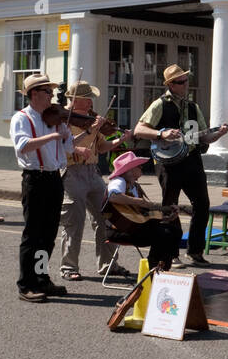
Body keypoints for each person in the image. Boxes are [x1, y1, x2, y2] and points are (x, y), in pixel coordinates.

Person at [135, 64, 228, 266]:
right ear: (170, 84)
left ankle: (195, 251)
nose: (185, 84)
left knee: (202, 204)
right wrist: (161, 134)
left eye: (186, 80)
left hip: (192, 160)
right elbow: (139, 129)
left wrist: (218, 134)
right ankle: (171, 252)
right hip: (168, 164)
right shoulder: (159, 105)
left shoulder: (193, 107)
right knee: (170, 207)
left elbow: (205, 137)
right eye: (180, 81)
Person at [12, 74, 76, 303]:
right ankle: (26, 284)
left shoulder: (54, 119)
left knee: (48, 234)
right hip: (35, 179)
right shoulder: (21, 119)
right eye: (48, 92)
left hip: (54, 179)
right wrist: (53, 135)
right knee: (33, 234)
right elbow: (23, 147)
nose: (52, 96)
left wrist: (67, 135)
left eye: (51, 92)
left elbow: (68, 148)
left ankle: (41, 278)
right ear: (34, 94)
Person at [57, 81, 115, 281]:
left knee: (107, 216)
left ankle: (108, 264)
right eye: (88, 97)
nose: (91, 101)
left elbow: (102, 146)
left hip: (92, 171)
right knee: (75, 221)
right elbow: (61, 146)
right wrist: (91, 130)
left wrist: (121, 140)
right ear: (75, 99)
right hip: (72, 171)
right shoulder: (61, 118)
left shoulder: (90, 119)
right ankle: (68, 267)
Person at [104, 151, 181, 271]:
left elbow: (143, 216)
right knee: (163, 234)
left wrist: (166, 218)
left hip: (134, 228)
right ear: (130, 169)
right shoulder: (119, 181)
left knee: (174, 230)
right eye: (139, 166)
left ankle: (162, 267)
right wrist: (137, 201)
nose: (142, 168)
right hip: (119, 230)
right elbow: (113, 196)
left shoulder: (135, 186)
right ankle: (154, 268)